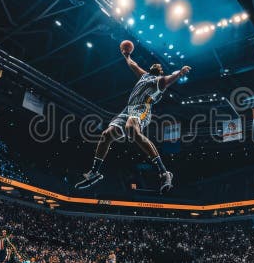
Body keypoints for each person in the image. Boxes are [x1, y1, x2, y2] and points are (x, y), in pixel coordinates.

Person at [75, 46, 192, 194]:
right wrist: (126, 55)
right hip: (128, 109)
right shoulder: (144, 76)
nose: (157, 65)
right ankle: (94, 172)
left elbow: (170, 79)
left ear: (160, 71)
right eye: (154, 65)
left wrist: (179, 73)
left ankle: (164, 172)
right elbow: (133, 65)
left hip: (142, 108)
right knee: (106, 135)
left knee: (131, 129)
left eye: (159, 66)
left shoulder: (160, 81)